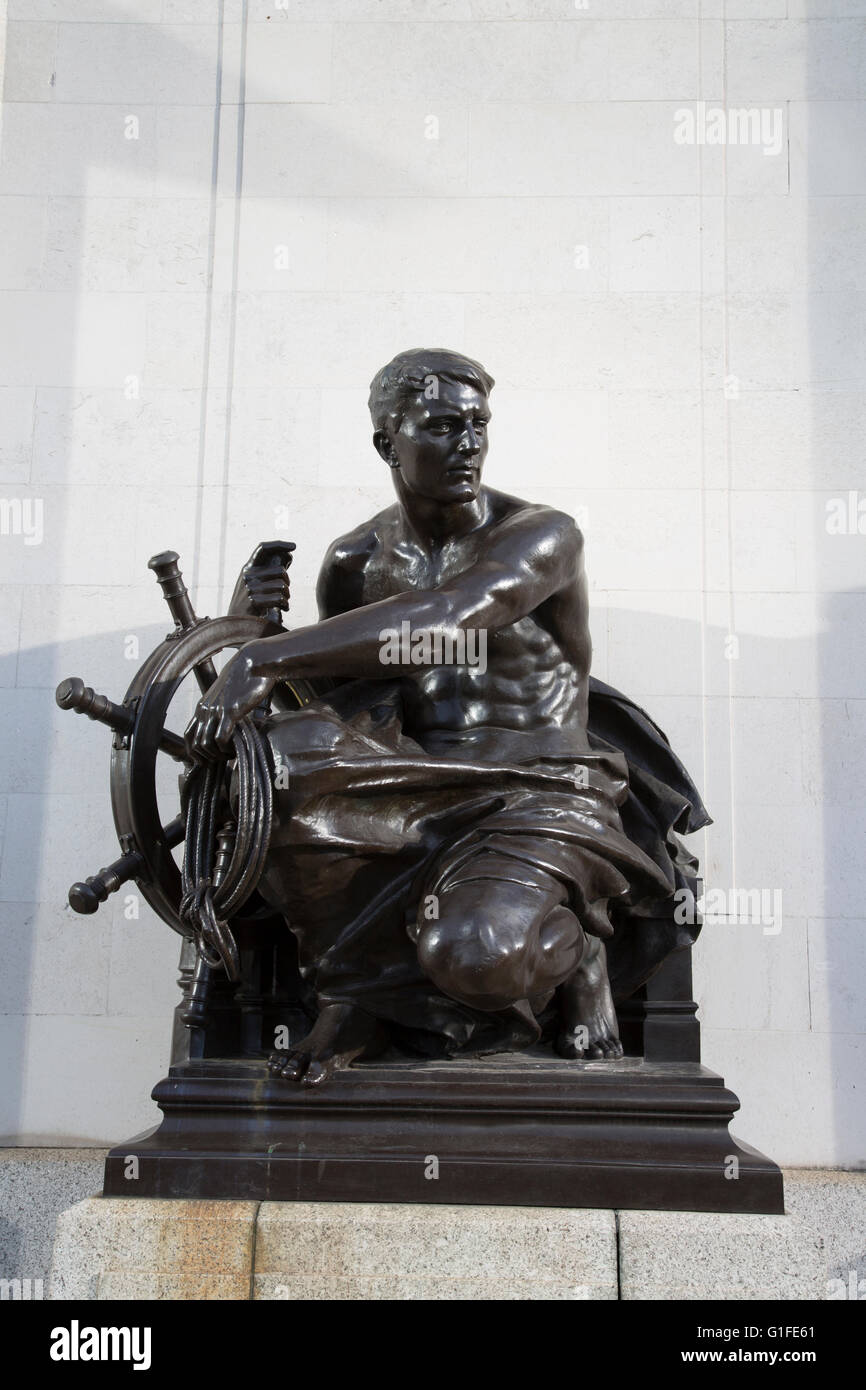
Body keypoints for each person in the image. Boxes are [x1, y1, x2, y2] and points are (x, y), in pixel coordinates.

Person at [186, 350, 707, 1085]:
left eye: (478, 425)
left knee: (477, 957)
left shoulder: (542, 535)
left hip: (540, 788)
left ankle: (583, 948)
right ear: (386, 444)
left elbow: (449, 621)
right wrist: (253, 632)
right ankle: (352, 997)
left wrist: (267, 660)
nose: (468, 443)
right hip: (411, 781)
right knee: (278, 765)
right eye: (441, 425)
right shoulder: (354, 562)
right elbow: (349, 705)